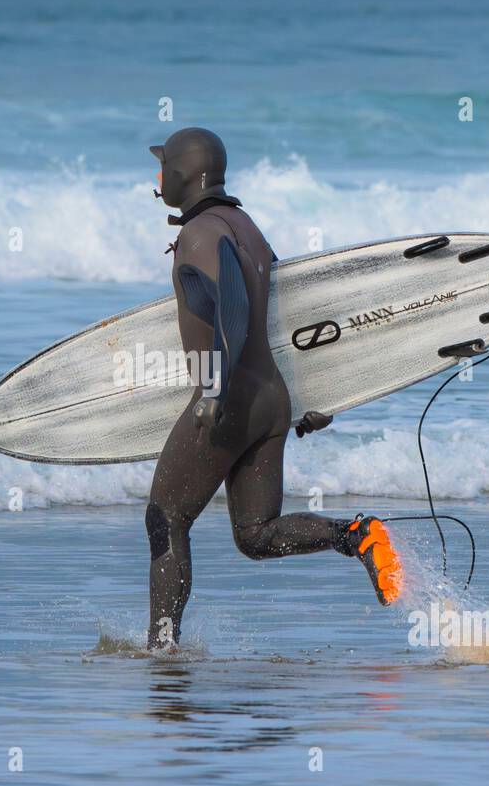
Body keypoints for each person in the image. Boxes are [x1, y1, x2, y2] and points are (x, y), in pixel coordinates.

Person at [145, 127, 402, 651]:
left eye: (161, 166)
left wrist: (214, 392)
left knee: (165, 516)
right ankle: (356, 535)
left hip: (232, 396)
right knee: (256, 535)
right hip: (272, 398)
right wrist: (315, 397)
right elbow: (292, 315)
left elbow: (234, 309)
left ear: (181, 172)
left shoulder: (200, 233)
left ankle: (162, 647)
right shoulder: (247, 227)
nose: (155, 178)